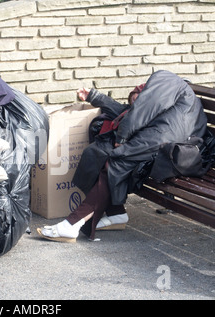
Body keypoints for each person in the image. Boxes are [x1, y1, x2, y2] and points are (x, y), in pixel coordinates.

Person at [37, 70, 208, 242]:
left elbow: (141, 111)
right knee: (99, 155)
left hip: (168, 147)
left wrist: (122, 137)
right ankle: (116, 214)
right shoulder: (169, 100)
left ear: (144, 90)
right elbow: (126, 111)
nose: (134, 101)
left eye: (136, 97)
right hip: (170, 147)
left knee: (114, 163)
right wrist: (94, 96)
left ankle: (72, 224)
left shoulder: (167, 79)